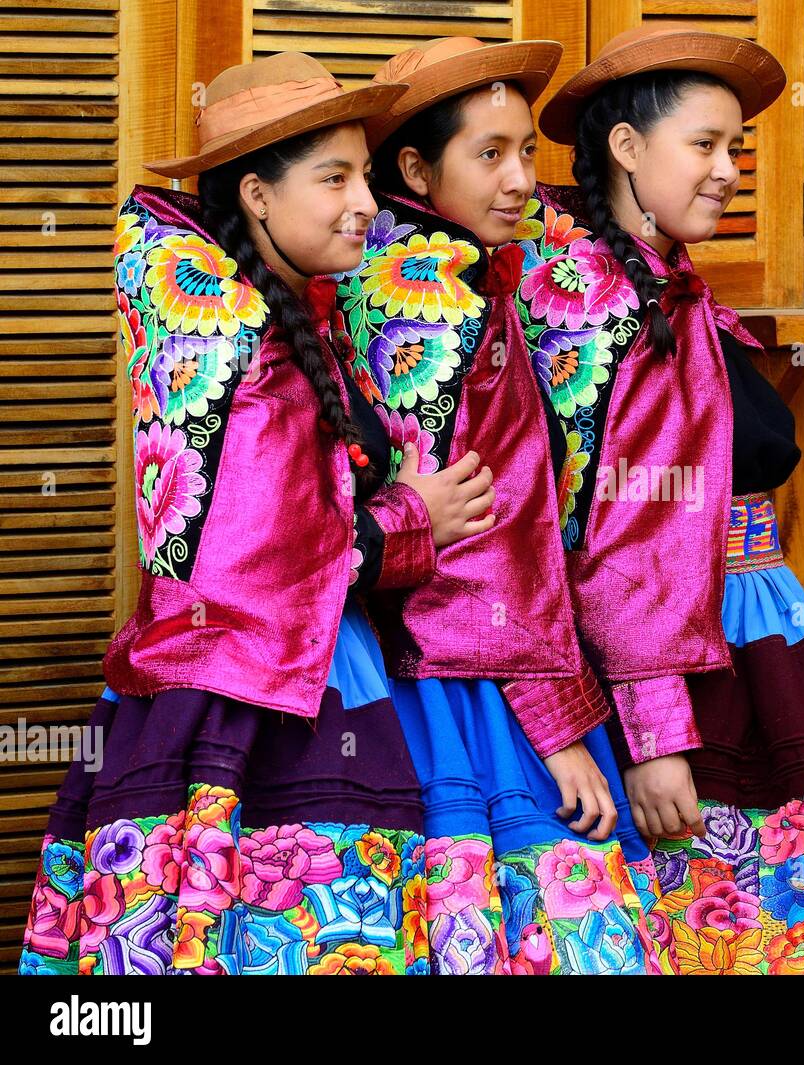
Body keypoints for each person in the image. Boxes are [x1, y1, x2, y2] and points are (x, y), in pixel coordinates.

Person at [16, 52, 474, 975]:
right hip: (255, 684)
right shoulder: (243, 348)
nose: (365, 204)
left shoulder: (296, 324)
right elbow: (248, 553)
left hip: (298, 666)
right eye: (334, 178)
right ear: (258, 195)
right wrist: (404, 521)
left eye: (368, 177)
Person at [512, 24, 804, 975]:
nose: (729, 170)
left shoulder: (670, 292)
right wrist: (653, 738)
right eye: (706, 145)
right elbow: (611, 532)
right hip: (677, 671)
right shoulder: (592, 302)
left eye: (737, 149)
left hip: (745, 639)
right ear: (627, 147)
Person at [342, 36, 662, 974]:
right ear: (413, 168)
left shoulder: (412, 274)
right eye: (490, 155)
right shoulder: (435, 303)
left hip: (406, 663)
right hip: (468, 677)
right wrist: (556, 721)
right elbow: (482, 536)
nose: (522, 178)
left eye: (528, 150)